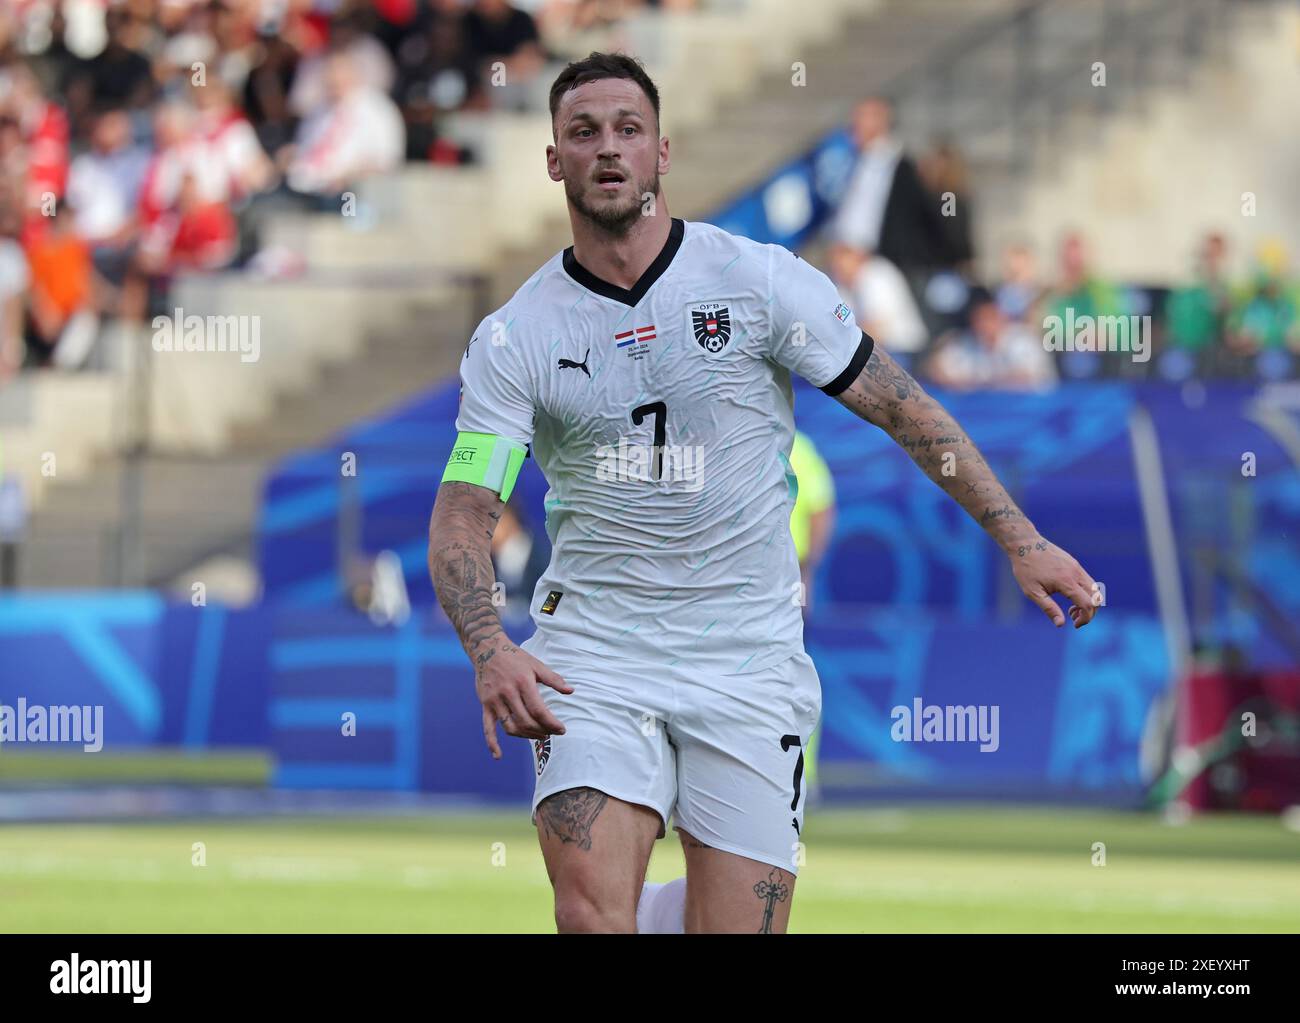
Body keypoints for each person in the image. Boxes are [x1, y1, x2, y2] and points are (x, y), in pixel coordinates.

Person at [427, 52, 1100, 934]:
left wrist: (1019, 537)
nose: (608, 150)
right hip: (593, 652)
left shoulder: (759, 280)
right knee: (590, 917)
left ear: (662, 152)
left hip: (746, 654)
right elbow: (464, 512)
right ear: (554, 160)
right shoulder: (516, 336)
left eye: (628, 130)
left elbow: (905, 409)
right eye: (583, 133)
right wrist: (488, 648)